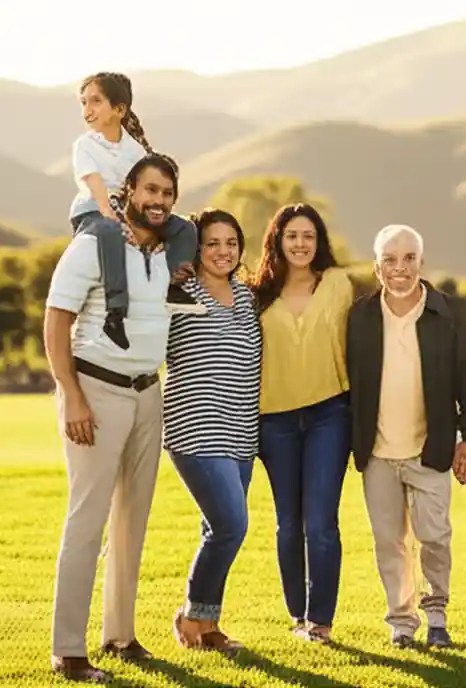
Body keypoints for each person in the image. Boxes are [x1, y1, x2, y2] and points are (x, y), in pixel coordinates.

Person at [43, 153, 181, 683]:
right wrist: (72, 395)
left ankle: (120, 636)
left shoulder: (169, 251)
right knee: (87, 518)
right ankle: (69, 649)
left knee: (132, 520)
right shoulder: (93, 244)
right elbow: (56, 323)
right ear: (128, 191)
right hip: (95, 391)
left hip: (150, 394)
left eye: (167, 193)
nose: (158, 200)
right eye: (150, 190)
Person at [345, 224, 466, 649]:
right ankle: (402, 622)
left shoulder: (446, 315)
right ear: (377, 267)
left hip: (431, 448)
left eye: (408, 259)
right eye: (390, 259)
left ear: (420, 264)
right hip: (379, 453)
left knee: (435, 538)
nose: (400, 268)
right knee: (389, 543)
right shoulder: (361, 317)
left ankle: (437, 615)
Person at [253, 204, 355, 644]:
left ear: (319, 241)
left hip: (329, 414)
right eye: (291, 235)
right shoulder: (256, 293)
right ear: (276, 240)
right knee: (288, 523)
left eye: (308, 236)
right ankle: (298, 615)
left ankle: (321, 622)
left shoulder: (338, 284)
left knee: (321, 521)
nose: (300, 244)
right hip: (272, 419)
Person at [165, 209, 262, 656]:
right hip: (194, 430)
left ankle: (208, 624)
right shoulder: (178, 292)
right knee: (231, 525)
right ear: (196, 248)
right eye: (212, 243)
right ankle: (190, 616)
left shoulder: (246, 296)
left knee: (216, 528)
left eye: (231, 243)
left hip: (241, 434)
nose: (223, 252)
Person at [68, 72, 201, 350]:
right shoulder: (85, 146)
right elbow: (95, 186)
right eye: (83, 102)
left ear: (119, 109)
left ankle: (171, 286)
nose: (87, 110)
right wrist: (113, 216)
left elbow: (143, 189)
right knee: (109, 232)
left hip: (126, 209)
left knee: (184, 228)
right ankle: (115, 311)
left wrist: (149, 217)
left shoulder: (135, 151)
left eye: (95, 101)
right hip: (94, 209)